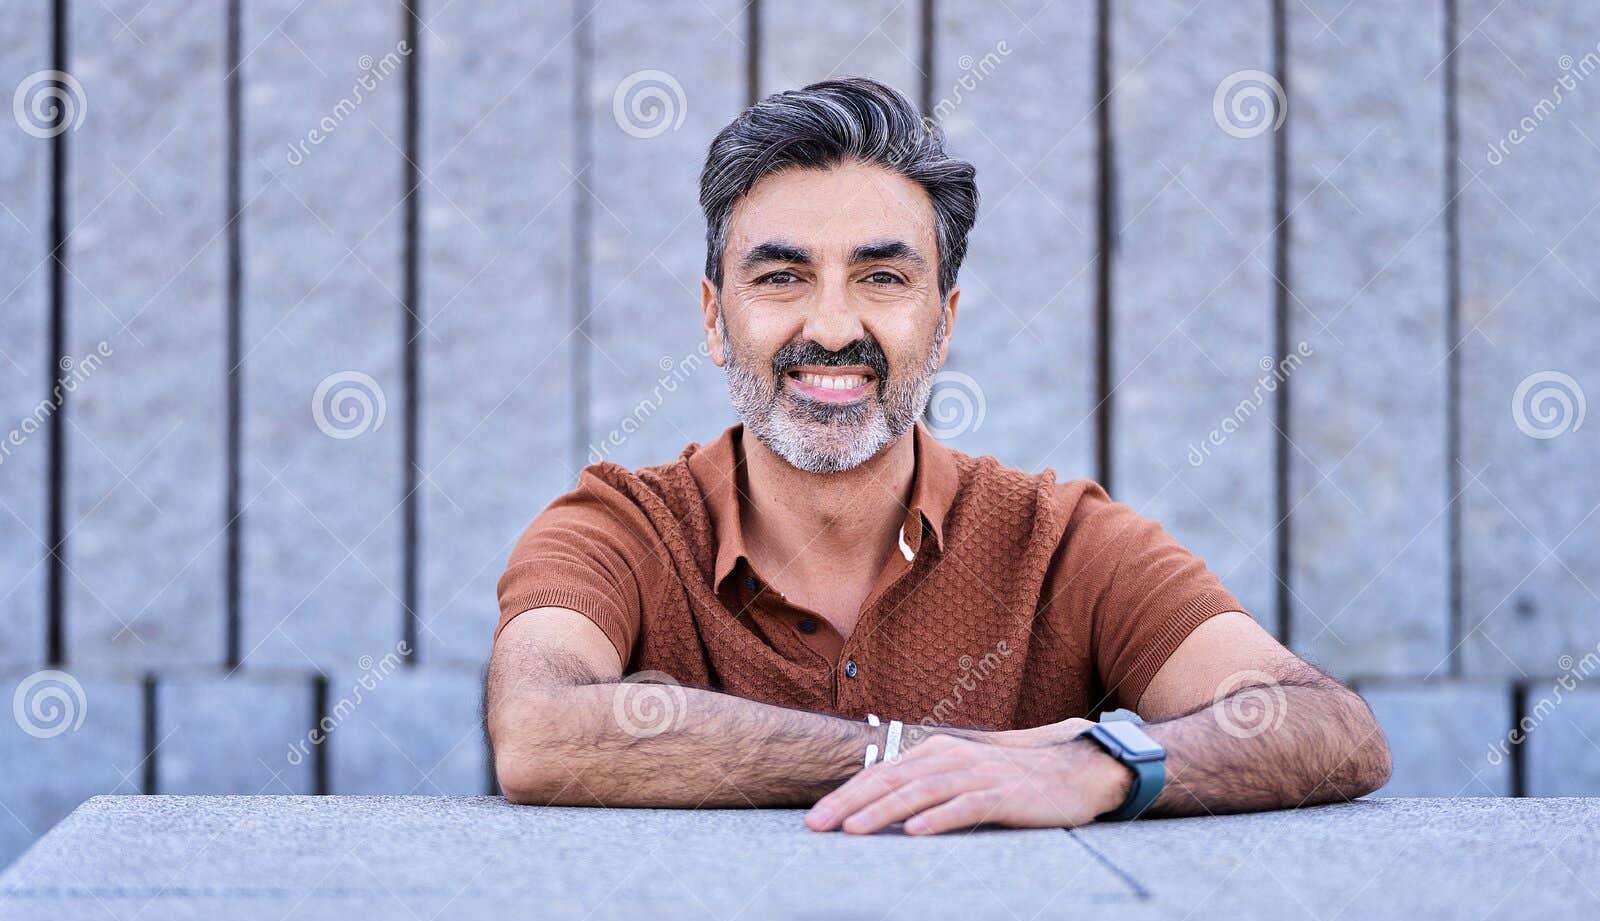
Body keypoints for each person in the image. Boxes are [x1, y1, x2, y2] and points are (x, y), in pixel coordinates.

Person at [485, 77, 1390, 835]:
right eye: (780, 277)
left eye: (882, 278)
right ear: (714, 319)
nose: (833, 327)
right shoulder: (620, 530)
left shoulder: (1060, 541)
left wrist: (1101, 769)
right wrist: (919, 754)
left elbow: (1326, 725)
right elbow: (535, 729)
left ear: (944, 322)